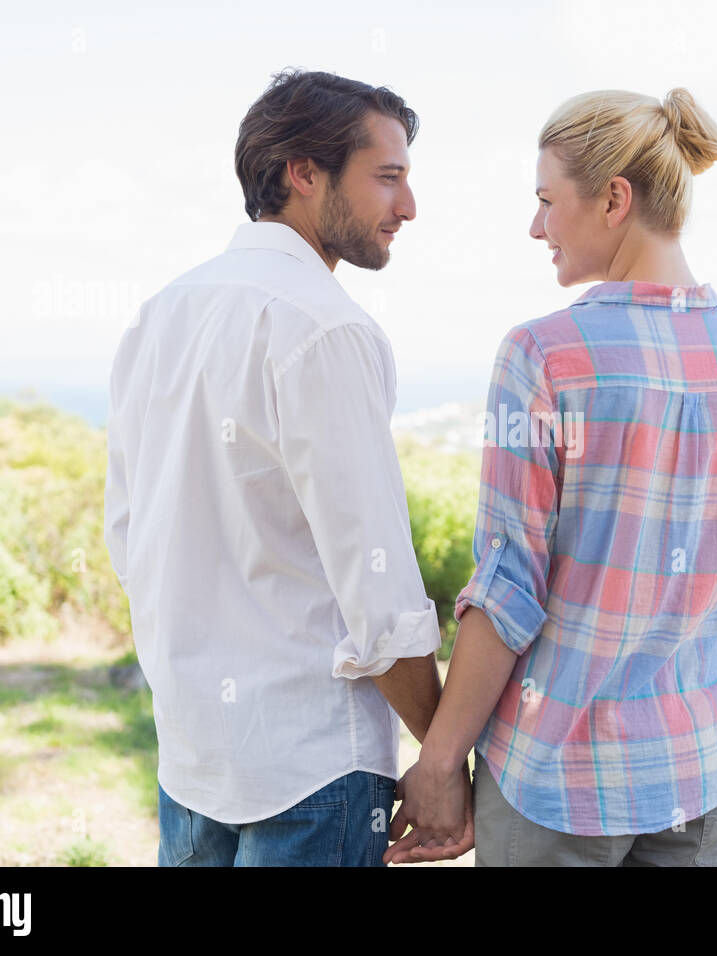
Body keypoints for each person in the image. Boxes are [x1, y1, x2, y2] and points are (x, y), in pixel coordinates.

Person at [384, 88, 717, 866]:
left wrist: (440, 762)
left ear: (614, 199)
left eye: (547, 201)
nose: (536, 226)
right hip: (703, 779)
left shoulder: (543, 357)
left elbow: (508, 590)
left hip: (552, 786)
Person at [103, 68, 473, 867]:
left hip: (192, 757)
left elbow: (129, 539)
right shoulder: (326, 328)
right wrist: (443, 759)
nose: (408, 206)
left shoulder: (159, 315)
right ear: (304, 172)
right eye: (387, 177)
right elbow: (377, 587)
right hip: (316, 768)